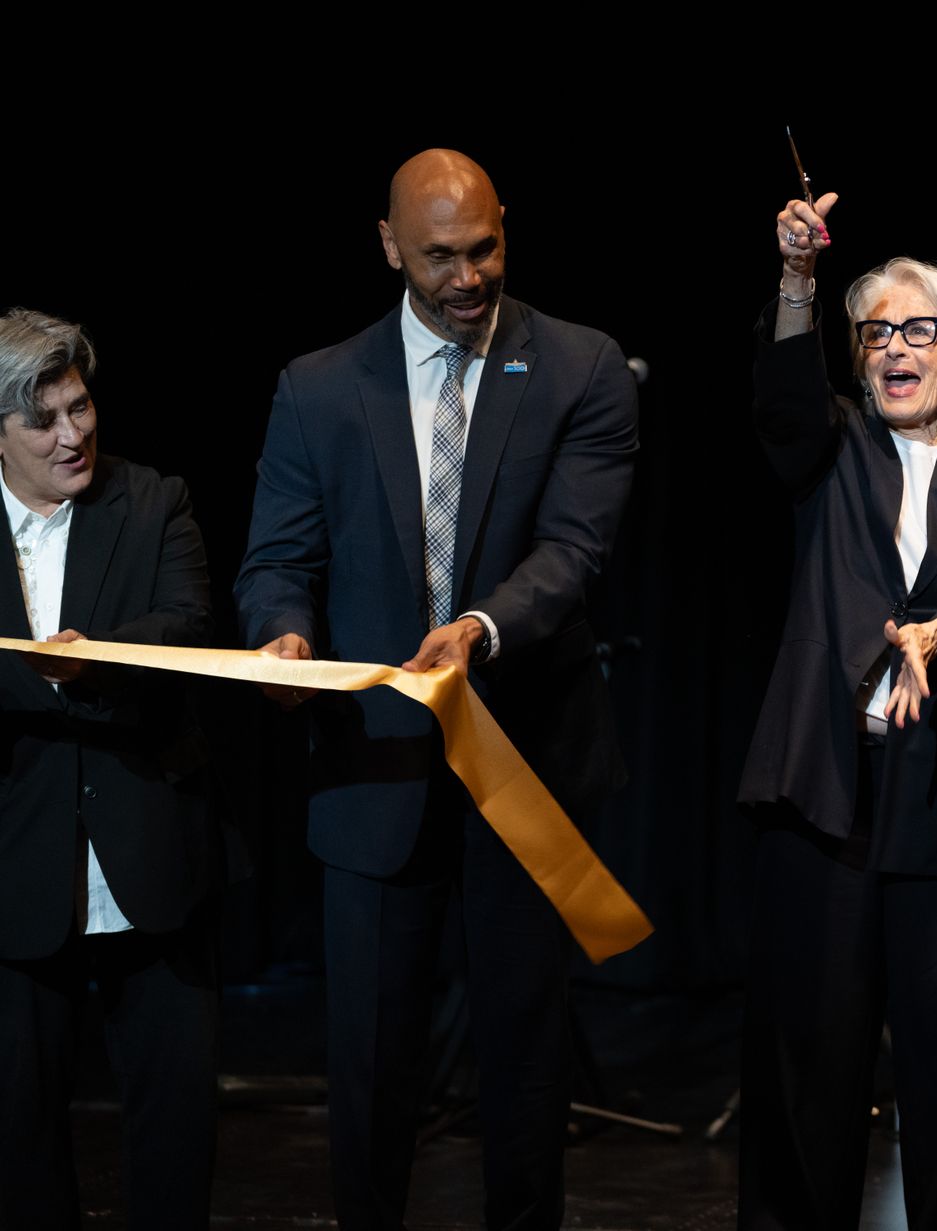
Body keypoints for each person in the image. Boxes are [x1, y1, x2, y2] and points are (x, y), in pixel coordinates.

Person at [233, 149, 639, 1230]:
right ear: (389, 248)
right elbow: (278, 558)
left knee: (524, 1075)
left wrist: (479, 628)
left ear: (507, 226)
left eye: (486, 248)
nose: (468, 278)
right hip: (375, 770)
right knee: (370, 1076)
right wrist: (283, 638)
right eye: (440, 258)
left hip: (525, 766)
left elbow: (573, 549)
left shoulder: (581, 367)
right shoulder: (318, 387)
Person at [737, 190, 937, 1230]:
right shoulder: (830, 448)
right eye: (878, 334)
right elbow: (782, 400)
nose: (896, 349)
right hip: (824, 790)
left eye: (922, 330)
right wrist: (797, 282)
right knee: (805, 1068)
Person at [0, 309, 218, 1229]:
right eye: (43, 419)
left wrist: (94, 659)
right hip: (16, 868)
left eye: (80, 406)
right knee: (18, 1141)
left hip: (149, 857)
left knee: (174, 1137)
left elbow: (185, 626)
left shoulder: (152, 499)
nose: (72, 434)